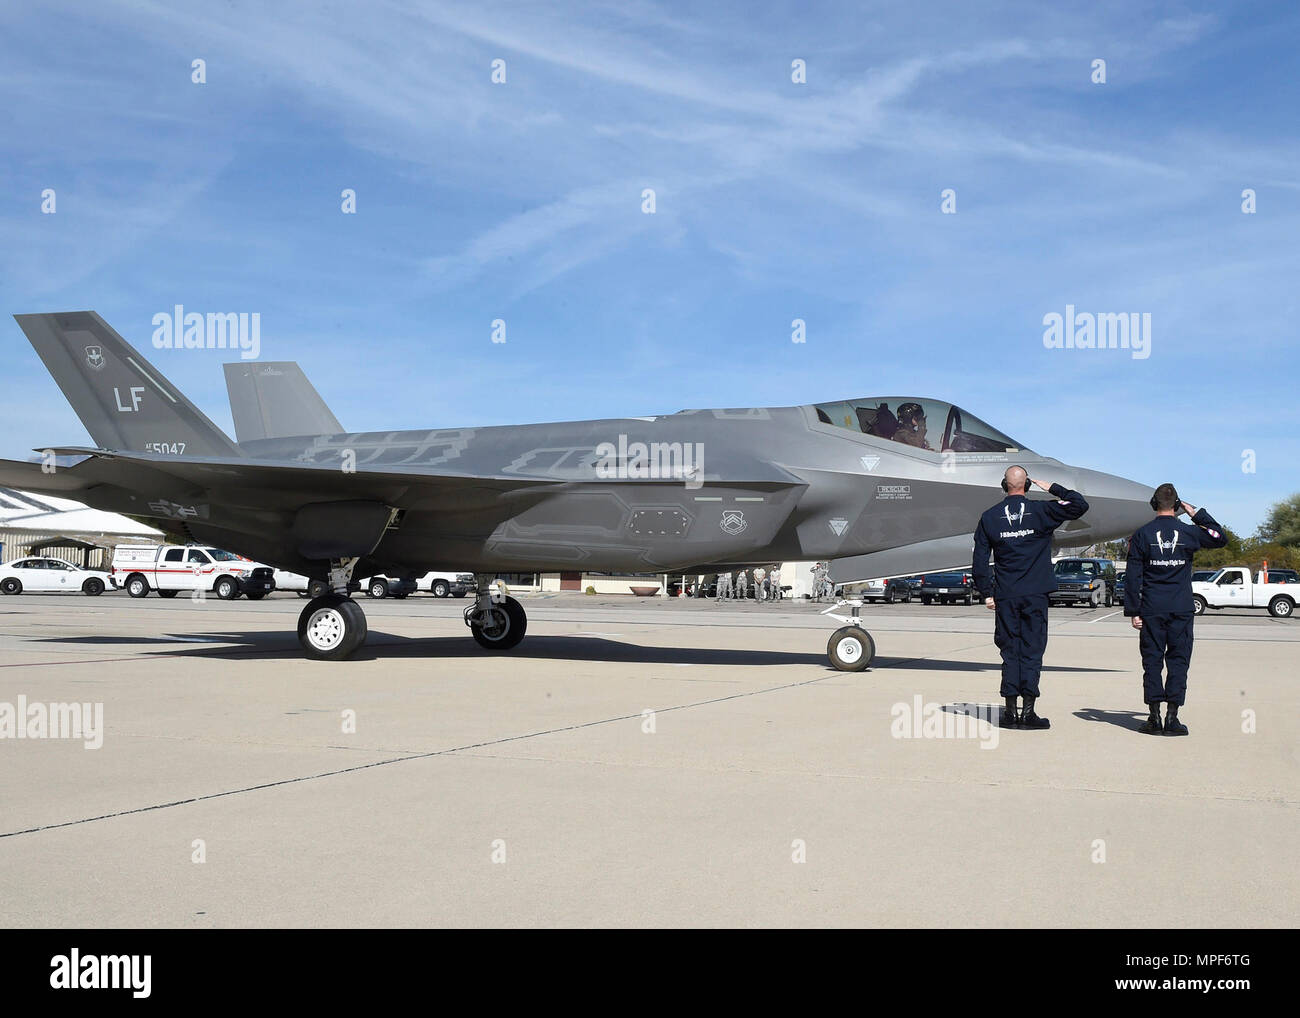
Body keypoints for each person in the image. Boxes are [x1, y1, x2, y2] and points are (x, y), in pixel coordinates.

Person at [972, 465, 1089, 729]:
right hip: (1035, 593)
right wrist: (1052, 488)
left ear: (1004, 485)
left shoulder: (990, 517)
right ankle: (1028, 712)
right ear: (1026, 486)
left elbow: (979, 558)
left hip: (1006, 595)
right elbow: (1079, 505)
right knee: (1032, 652)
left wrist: (986, 592)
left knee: (1010, 651)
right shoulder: (1042, 510)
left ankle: (1010, 712)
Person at [1123, 484, 1228, 736]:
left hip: (1151, 609)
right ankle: (1172, 718)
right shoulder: (1188, 532)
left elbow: (1132, 577)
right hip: (1180, 609)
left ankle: (1154, 717)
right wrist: (1196, 514)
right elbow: (1219, 537)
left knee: (1152, 662)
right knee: (1178, 661)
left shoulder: (1142, 534)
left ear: (1153, 503)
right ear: (1177, 504)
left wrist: (1133, 611)